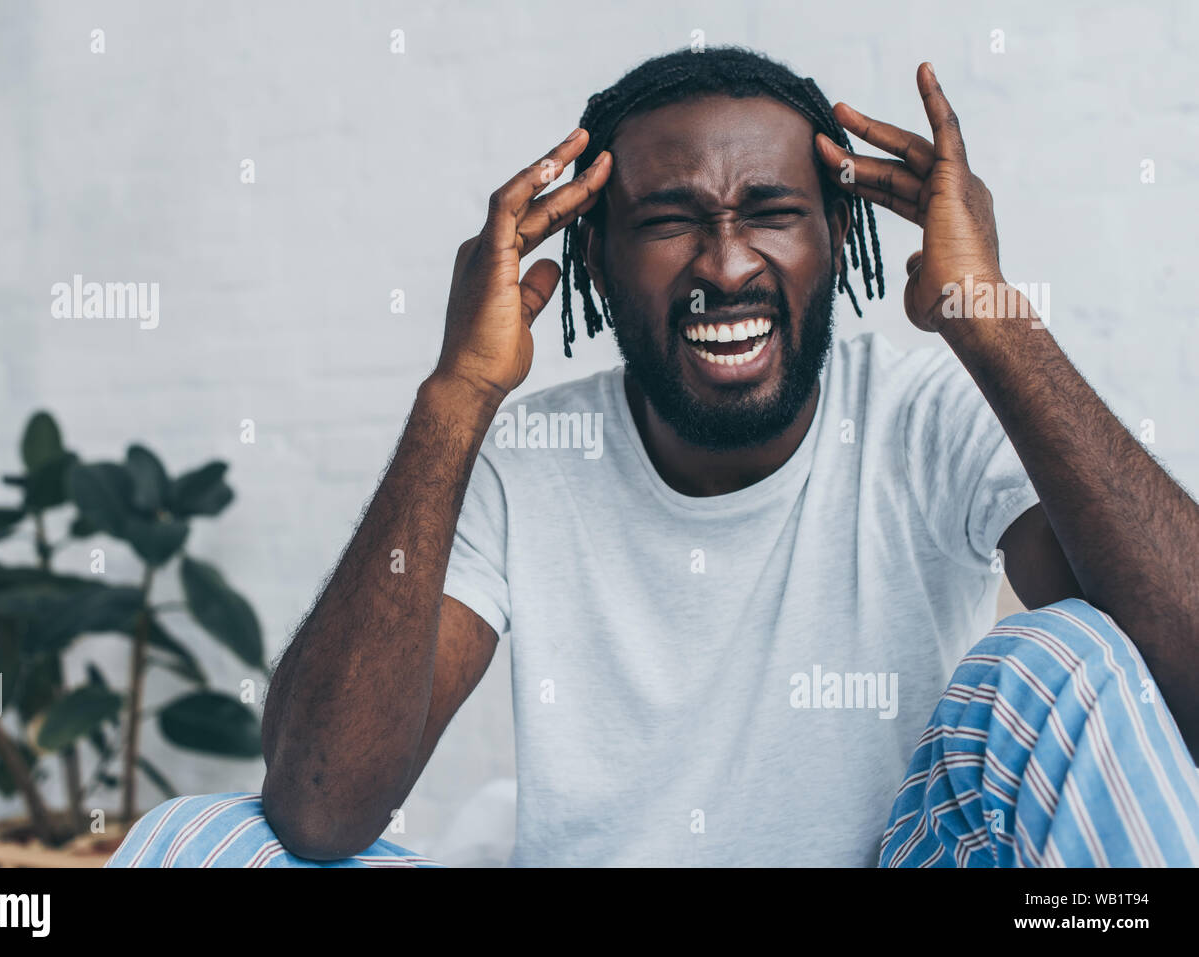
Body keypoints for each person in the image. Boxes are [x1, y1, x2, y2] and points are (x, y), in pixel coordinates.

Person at [109, 46, 1199, 868]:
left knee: (1062, 659)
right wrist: (457, 397)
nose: (726, 264)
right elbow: (317, 807)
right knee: (200, 842)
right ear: (591, 255)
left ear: (842, 236)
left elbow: (1178, 692)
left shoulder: (924, 415)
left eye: (771, 211)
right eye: (669, 221)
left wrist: (990, 320)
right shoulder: (525, 461)